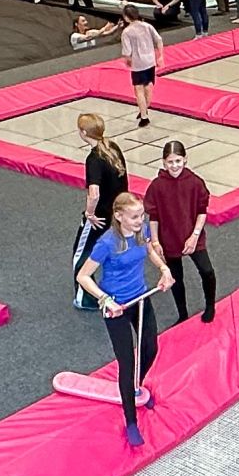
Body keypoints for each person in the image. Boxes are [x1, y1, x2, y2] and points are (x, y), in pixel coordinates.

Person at [73, 191, 172, 447]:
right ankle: (130, 420)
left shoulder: (141, 232)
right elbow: (83, 276)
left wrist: (163, 269)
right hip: (116, 305)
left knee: (151, 348)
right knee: (126, 362)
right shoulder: (107, 243)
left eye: (142, 215)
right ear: (119, 216)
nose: (141, 220)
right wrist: (106, 300)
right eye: (135, 216)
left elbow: (149, 250)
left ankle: (135, 385)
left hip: (140, 299)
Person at [144, 142, 216, 324]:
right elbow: (154, 216)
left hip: (192, 235)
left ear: (185, 159)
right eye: (170, 162)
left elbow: (202, 211)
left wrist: (195, 236)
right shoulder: (157, 186)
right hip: (169, 238)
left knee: (207, 271)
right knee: (176, 277)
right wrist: (155, 240)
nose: (174, 166)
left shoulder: (195, 182)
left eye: (178, 161)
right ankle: (182, 313)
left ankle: (210, 306)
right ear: (163, 163)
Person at [72, 115, 131, 311]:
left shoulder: (94, 159)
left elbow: (94, 193)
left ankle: (85, 298)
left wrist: (89, 214)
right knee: (111, 251)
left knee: (81, 254)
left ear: (83, 133)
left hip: (100, 216)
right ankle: (116, 287)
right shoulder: (112, 147)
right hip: (117, 213)